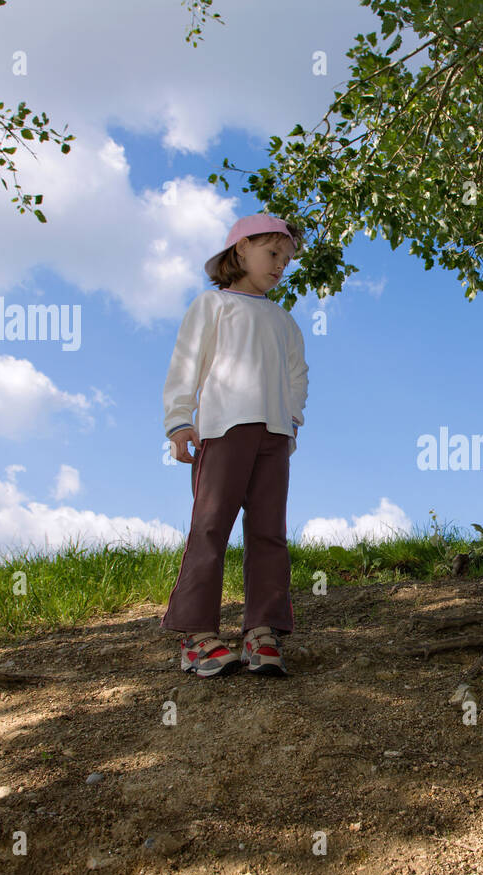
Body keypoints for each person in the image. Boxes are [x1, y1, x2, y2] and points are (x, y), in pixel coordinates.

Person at [159, 213, 307, 678]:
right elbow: (186, 363)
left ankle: (261, 633)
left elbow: (297, 375)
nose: (280, 265)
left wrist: (292, 422)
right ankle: (196, 635)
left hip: (274, 435)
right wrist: (180, 420)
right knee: (210, 526)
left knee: (269, 533)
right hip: (222, 430)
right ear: (240, 250)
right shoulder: (212, 305)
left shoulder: (284, 321)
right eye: (272, 253)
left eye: (286, 259)